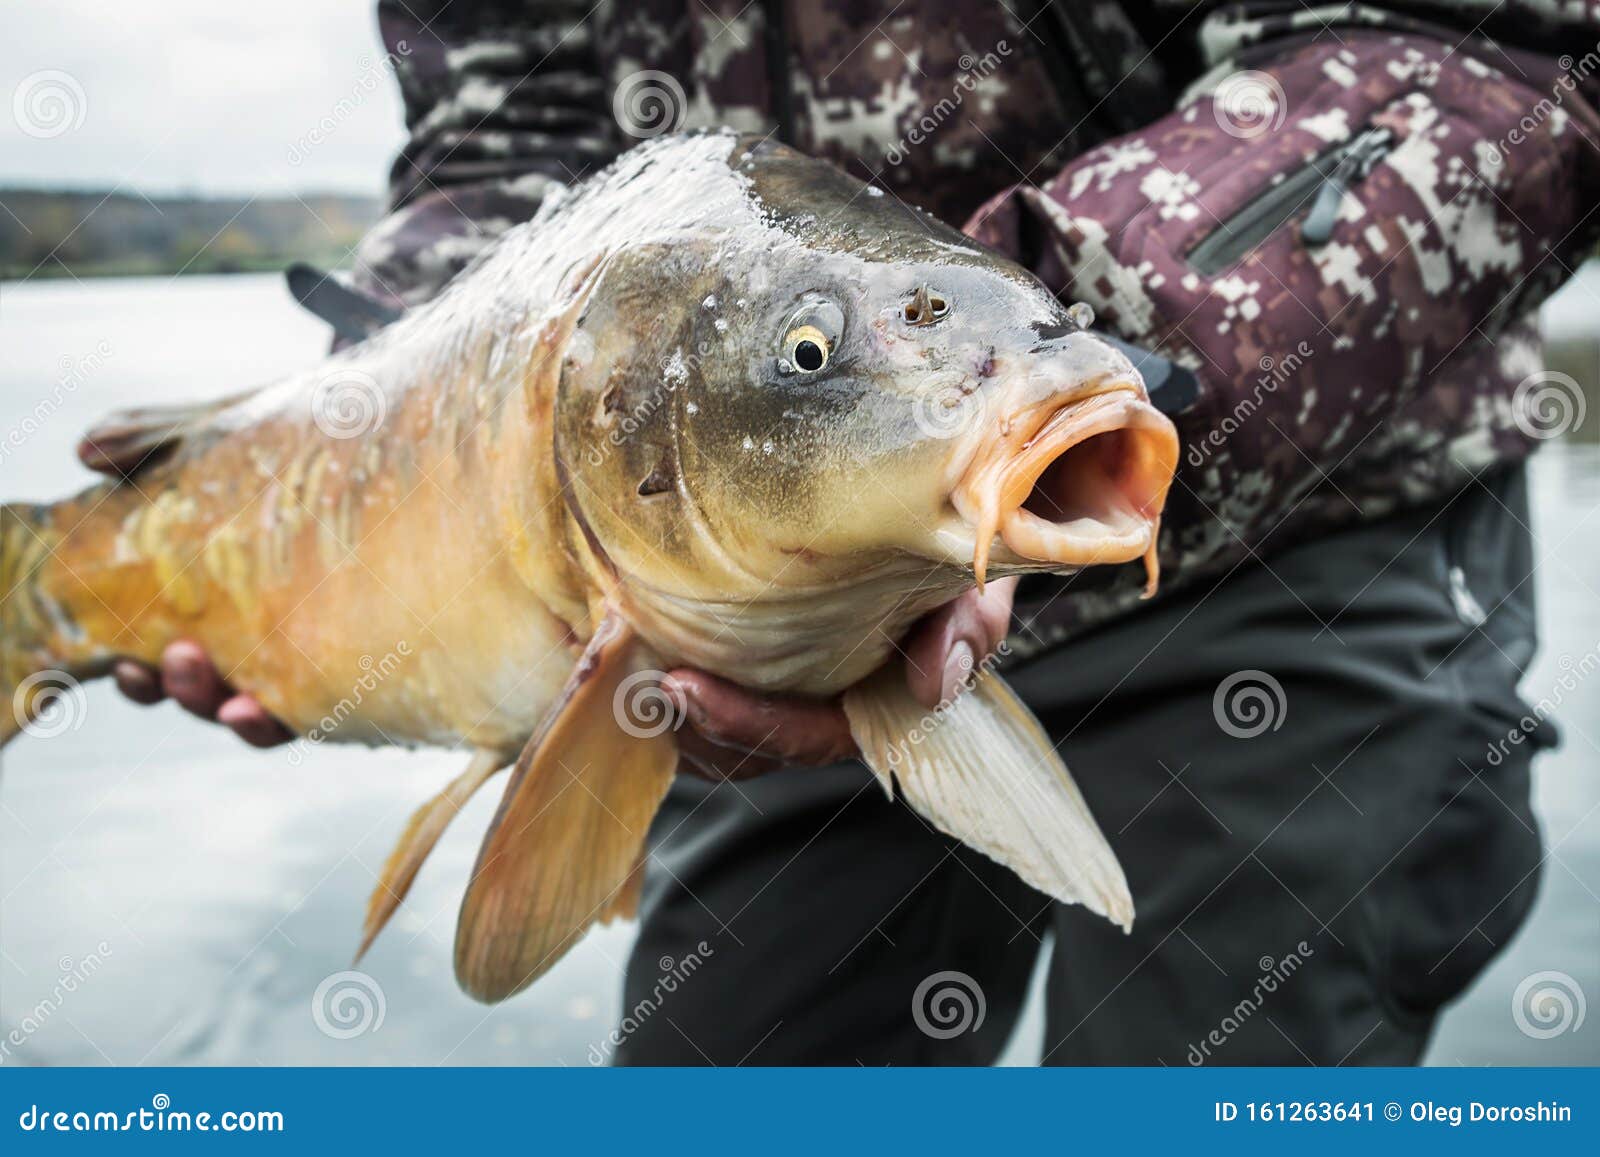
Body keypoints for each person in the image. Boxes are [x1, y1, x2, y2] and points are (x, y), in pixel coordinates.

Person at [102, 0, 1599, 1063]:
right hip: (754, 581)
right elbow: (505, 155)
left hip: (1300, 517)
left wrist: (1059, 331)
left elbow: (1479, 43)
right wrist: (395, 444)